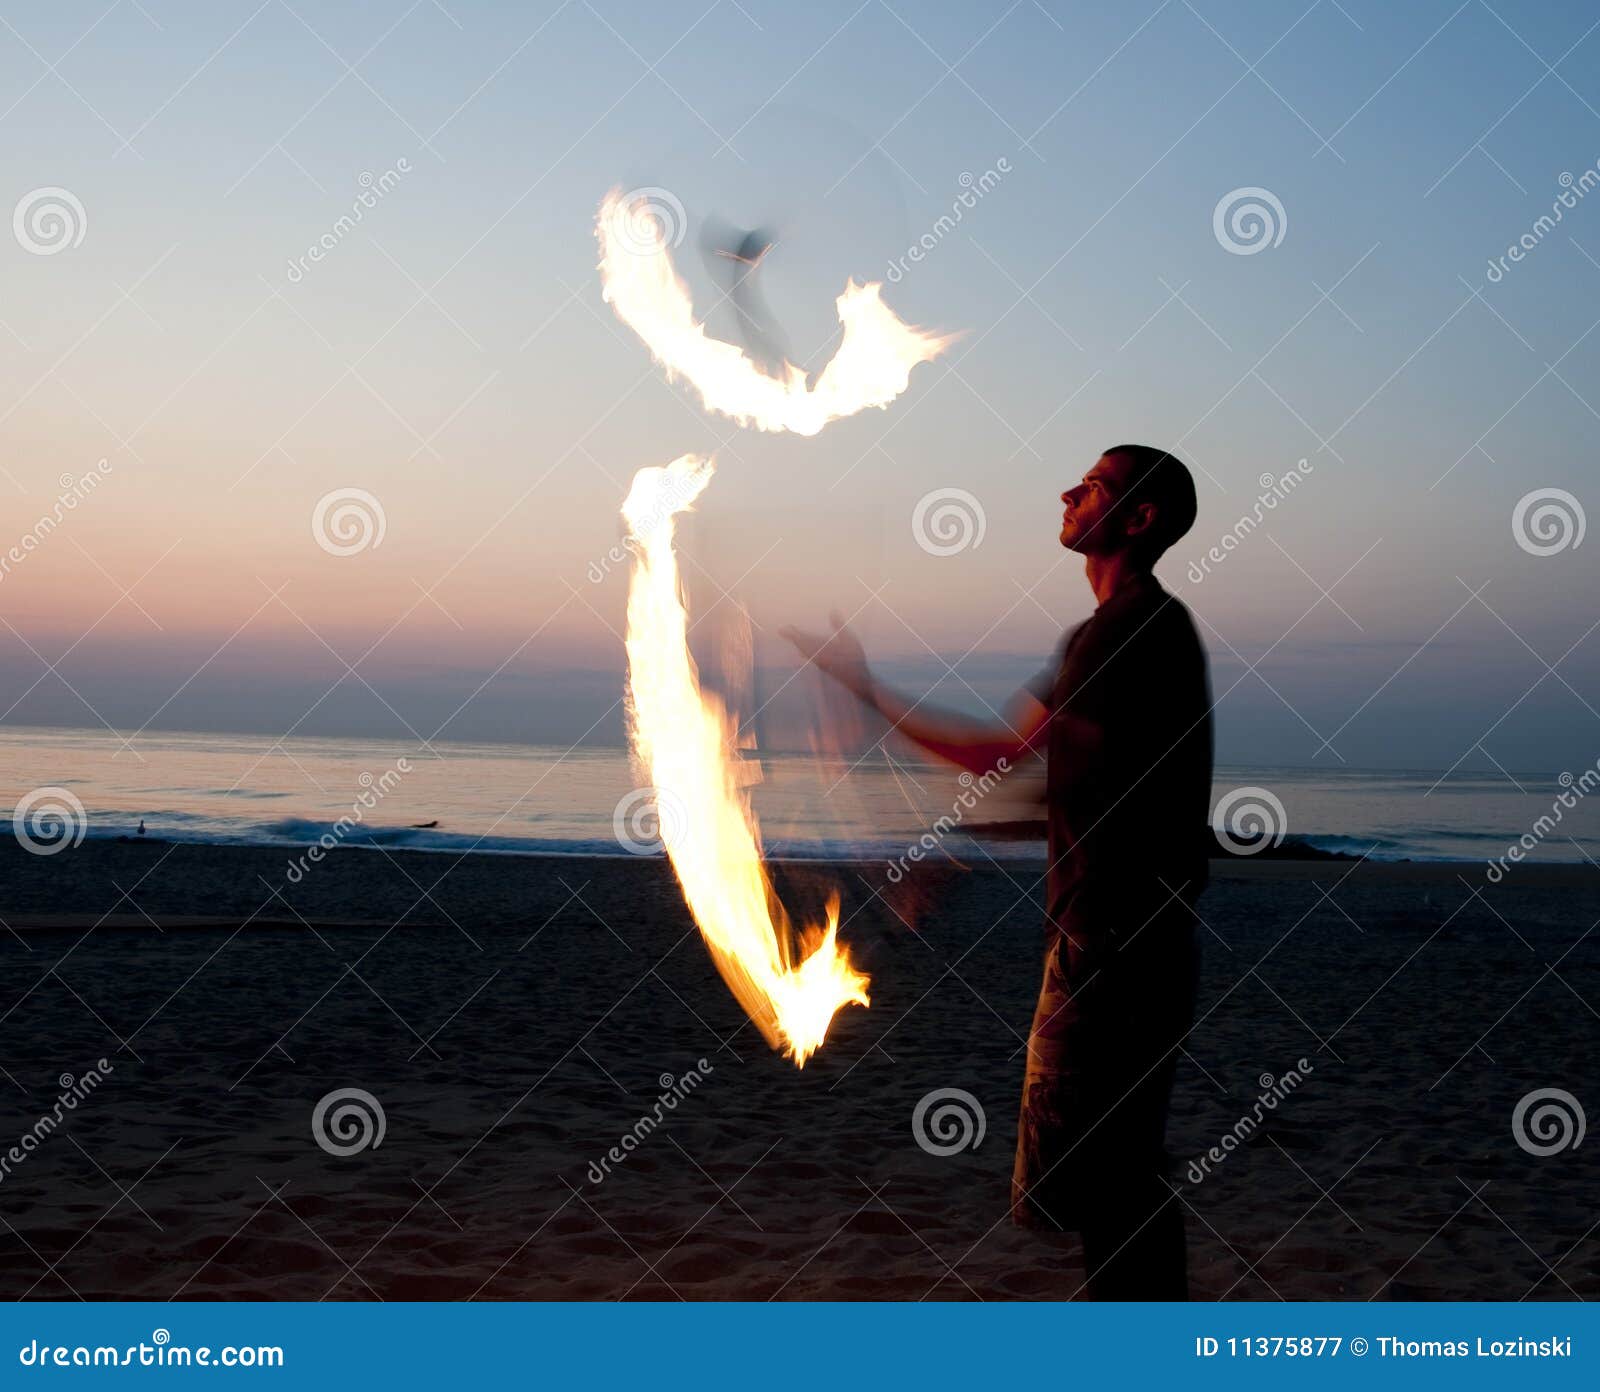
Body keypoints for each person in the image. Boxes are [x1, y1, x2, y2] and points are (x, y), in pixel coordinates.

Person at [783, 444, 1212, 1299]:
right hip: (1127, 944)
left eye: (1092, 485)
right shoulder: (1116, 634)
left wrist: (865, 690)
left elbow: (995, 752)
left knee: (1111, 1189)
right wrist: (954, 844)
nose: (1067, 491)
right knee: (1114, 1178)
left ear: (1138, 518)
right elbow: (1062, 784)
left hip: (1115, 950)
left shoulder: (1128, 632)